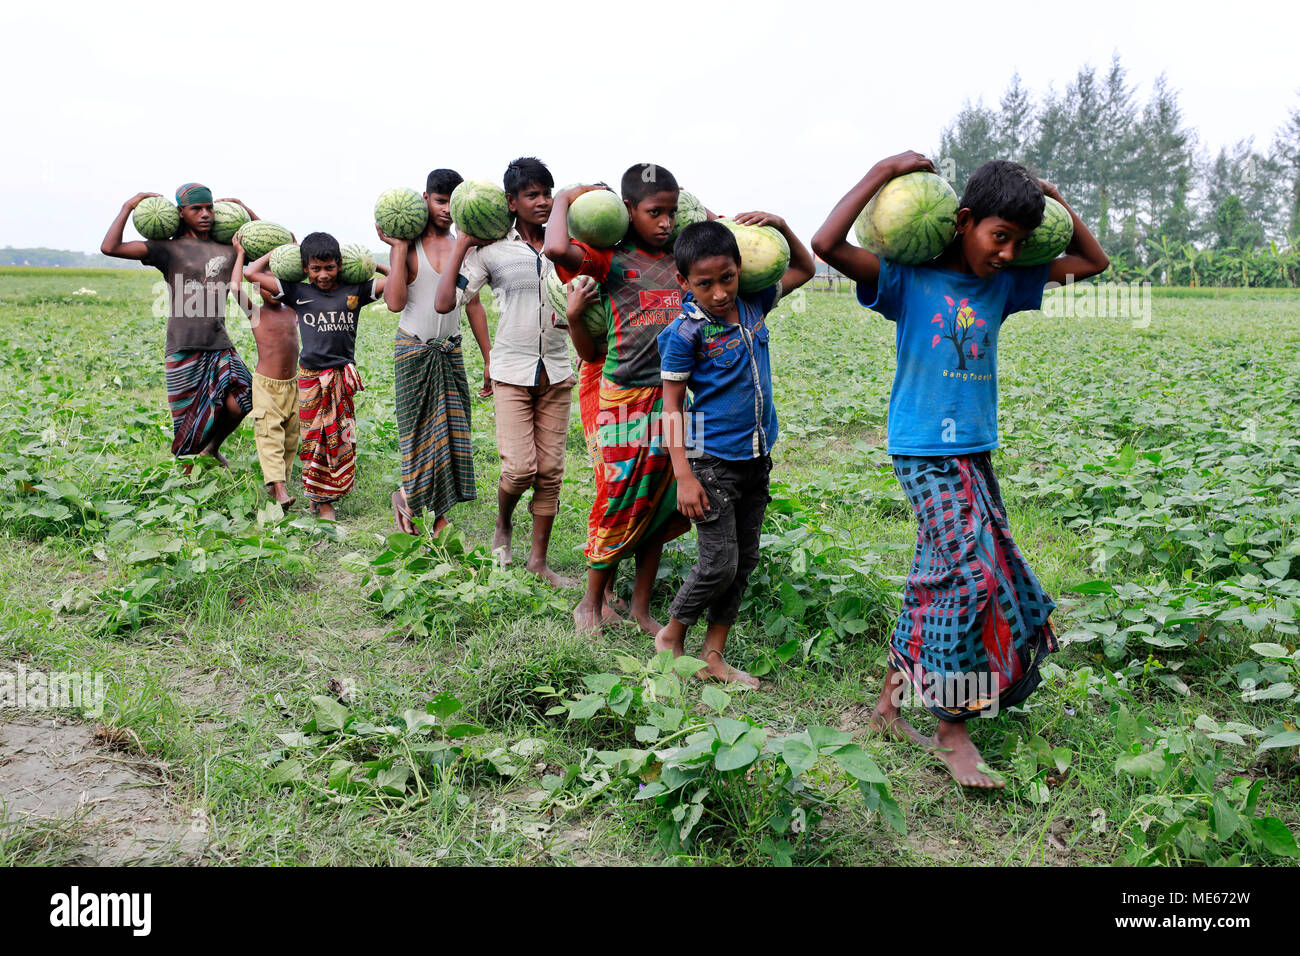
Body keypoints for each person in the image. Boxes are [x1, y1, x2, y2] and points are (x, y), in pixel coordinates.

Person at [812, 153, 1109, 787]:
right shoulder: (907, 280)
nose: (1008, 253)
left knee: (935, 575)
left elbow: (1093, 264)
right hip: (921, 450)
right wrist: (881, 171)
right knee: (968, 577)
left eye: (1020, 243)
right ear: (964, 219)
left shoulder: (1005, 285)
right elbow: (825, 244)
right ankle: (952, 729)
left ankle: (889, 705)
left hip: (973, 450)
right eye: (999, 236)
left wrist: (1053, 196)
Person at [653, 216, 814, 687]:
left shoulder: (755, 304)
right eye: (705, 284)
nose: (720, 292)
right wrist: (683, 474)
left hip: (756, 460)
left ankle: (714, 655)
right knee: (717, 563)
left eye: (728, 278)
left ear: (740, 268)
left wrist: (782, 226)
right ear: (684, 281)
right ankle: (672, 634)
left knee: (743, 563)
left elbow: (803, 268)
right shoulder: (685, 334)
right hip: (711, 465)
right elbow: (672, 409)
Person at [544, 165, 692, 636]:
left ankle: (643, 608)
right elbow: (553, 248)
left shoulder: (682, 260)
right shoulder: (612, 259)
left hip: (674, 398)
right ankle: (590, 602)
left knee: (661, 503)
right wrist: (566, 198)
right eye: (654, 212)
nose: (666, 221)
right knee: (616, 495)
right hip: (623, 396)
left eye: (672, 211)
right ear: (629, 211)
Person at [433, 157, 576, 587]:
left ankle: (538, 561)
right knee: (519, 469)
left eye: (548, 193)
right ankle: (503, 524)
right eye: (532, 194)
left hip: (557, 369)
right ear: (511, 201)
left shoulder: (567, 245)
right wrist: (462, 244)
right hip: (511, 370)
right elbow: (445, 303)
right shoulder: (492, 252)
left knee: (550, 472)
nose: (543, 202)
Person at [99, 184, 257, 467]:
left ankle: (212, 448)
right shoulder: (167, 250)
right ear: (181, 213)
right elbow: (109, 247)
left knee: (246, 396)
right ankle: (187, 479)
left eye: (209, 208)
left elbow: (271, 247)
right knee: (187, 420)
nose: (205, 214)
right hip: (182, 345)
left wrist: (245, 211)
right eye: (197, 209)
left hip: (219, 343)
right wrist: (128, 206)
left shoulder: (228, 248)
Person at [244, 232, 388, 520]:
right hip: (310, 378)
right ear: (305, 268)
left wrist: (368, 263)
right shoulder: (297, 292)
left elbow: (399, 279)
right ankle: (322, 502)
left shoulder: (355, 291)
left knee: (339, 440)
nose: (323, 275)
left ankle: (327, 496)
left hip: (341, 378)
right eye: (315, 269)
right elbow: (251, 273)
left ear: (340, 264)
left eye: (330, 267)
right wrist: (286, 250)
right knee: (313, 439)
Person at [380, 168, 492, 535]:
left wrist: (489, 358)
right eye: (440, 201)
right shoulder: (408, 245)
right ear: (426, 199)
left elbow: (472, 305)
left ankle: (433, 509)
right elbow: (394, 303)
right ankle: (413, 499)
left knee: (452, 432)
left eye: (451, 202)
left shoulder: (467, 246)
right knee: (417, 433)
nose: (446, 210)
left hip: (450, 351)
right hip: (413, 351)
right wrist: (397, 248)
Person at [230, 232, 300, 506]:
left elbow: (299, 273)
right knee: (269, 435)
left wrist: (291, 250)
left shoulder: (294, 310)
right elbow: (236, 286)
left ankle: (277, 484)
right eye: (265, 286)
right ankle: (280, 490)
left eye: (277, 285)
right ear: (258, 288)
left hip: (293, 385)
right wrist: (240, 254)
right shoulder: (255, 313)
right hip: (266, 386)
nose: (271, 291)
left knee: (291, 437)